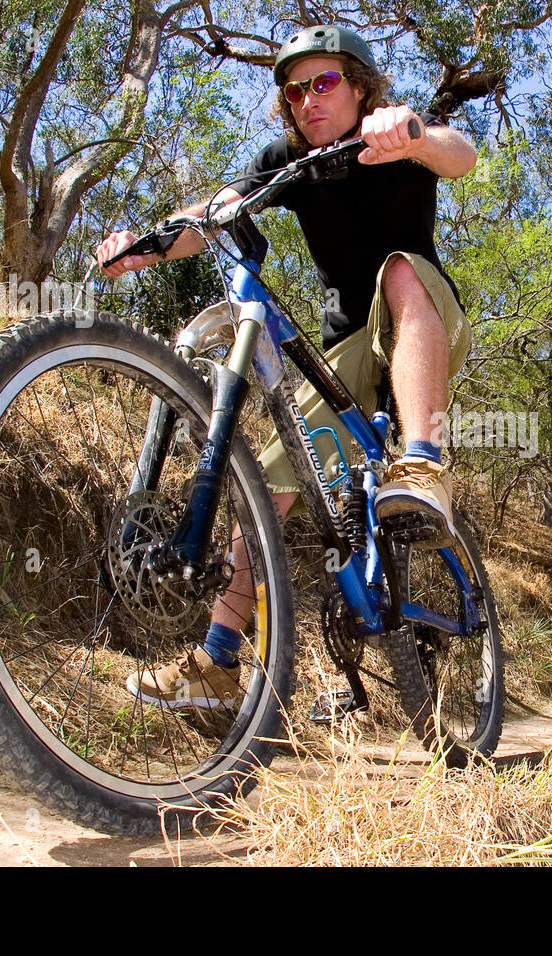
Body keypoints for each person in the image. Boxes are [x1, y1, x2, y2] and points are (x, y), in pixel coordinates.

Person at [94, 24, 476, 708]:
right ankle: (216, 662)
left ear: (361, 88)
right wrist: (148, 245)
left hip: (422, 322)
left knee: (400, 273)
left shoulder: (394, 133)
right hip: (343, 356)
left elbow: (461, 154)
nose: (307, 101)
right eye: (294, 91)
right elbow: (214, 210)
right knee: (266, 487)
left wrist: (412, 133)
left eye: (324, 83)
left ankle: (423, 467)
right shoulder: (290, 160)